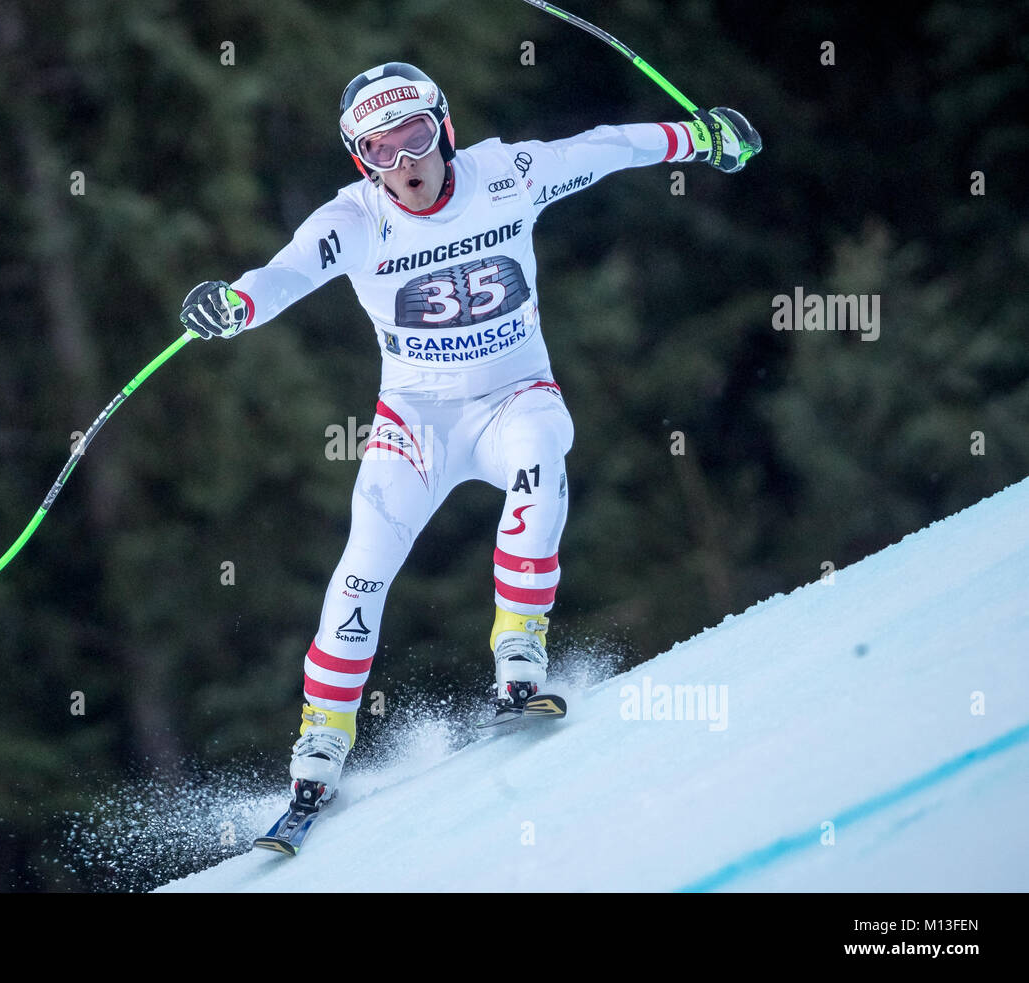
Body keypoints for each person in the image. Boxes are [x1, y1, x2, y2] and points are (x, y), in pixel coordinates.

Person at [180, 62, 760, 808]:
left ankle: (518, 651)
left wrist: (702, 137)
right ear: (362, 161)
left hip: (515, 397)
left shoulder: (508, 174)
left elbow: (606, 145)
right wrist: (231, 305)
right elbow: (282, 276)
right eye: (382, 151)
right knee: (365, 564)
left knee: (540, 458)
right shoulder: (353, 221)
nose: (407, 164)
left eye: (417, 136)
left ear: (445, 128)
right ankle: (322, 736)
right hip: (415, 425)